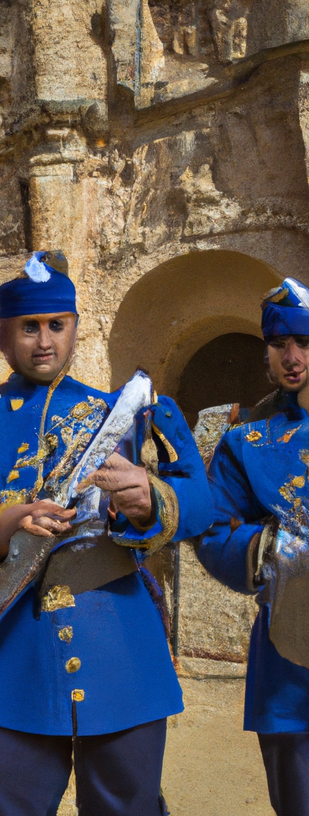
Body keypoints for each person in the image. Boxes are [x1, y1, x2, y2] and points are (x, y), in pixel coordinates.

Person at [0, 251, 212, 816]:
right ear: (3, 339)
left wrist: (154, 500)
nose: (44, 341)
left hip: (119, 650)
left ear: (77, 327)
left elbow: (200, 499)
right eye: (29, 328)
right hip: (10, 657)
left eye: (57, 325)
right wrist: (0, 523)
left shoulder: (122, 414)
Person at [197, 277, 309, 816]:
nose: (293, 357)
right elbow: (214, 529)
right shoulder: (248, 440)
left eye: (306, 342)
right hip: (290, 649)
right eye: (280, 344)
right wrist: (279, 551)